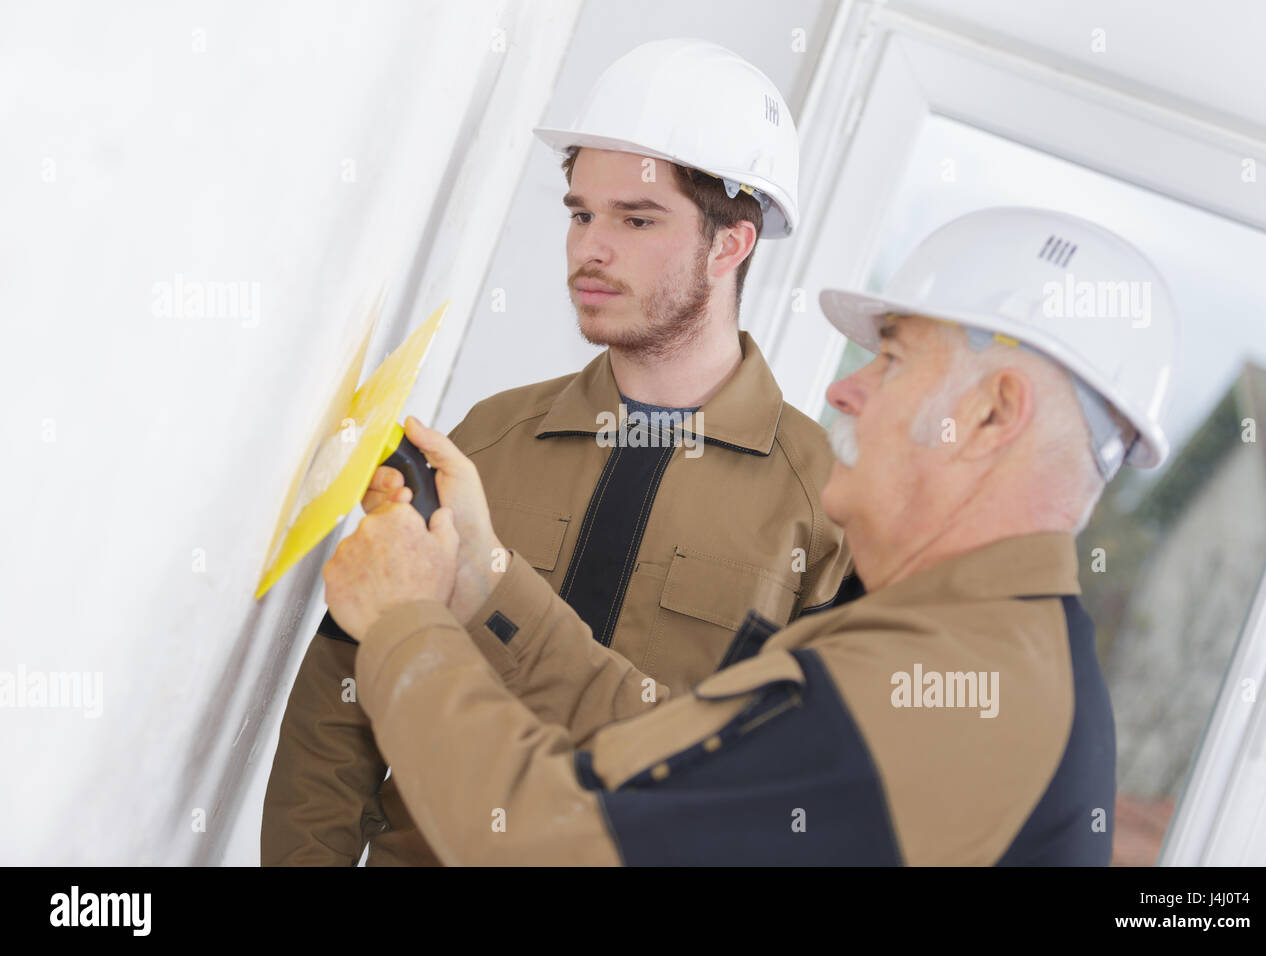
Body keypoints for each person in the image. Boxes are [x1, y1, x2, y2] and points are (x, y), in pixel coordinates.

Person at [322, 206, 1178, 864]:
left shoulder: (951, 687)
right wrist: (479, 578)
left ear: (992, 415)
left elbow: (553, 842)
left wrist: (404, 625)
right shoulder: (968, 647)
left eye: (892, 359)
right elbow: (676, 752)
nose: (846, 393)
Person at [263, 38, 855, 866]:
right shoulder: (486, 443)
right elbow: (342, 691)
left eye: (637, 219)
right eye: (581, 213)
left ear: (730, 245)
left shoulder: (828, 508)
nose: (589, 249)